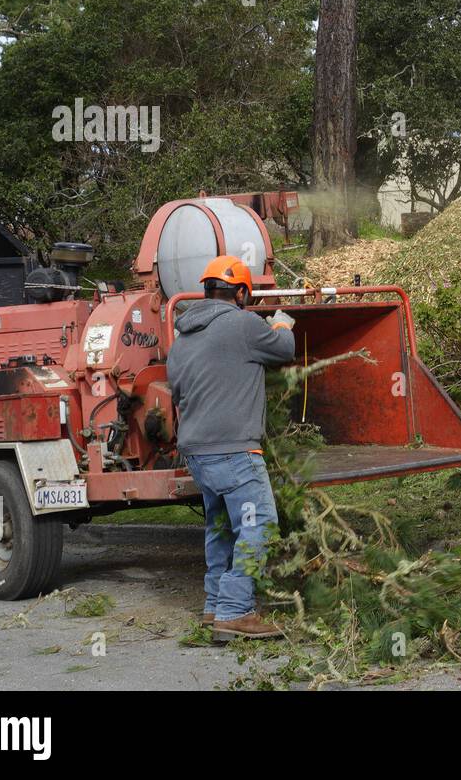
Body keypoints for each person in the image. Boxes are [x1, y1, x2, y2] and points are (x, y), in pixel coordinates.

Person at [167, 254, 295, 642]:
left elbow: (178, 392)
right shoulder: (243, 324)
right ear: (240, 292)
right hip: (235, 453)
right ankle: (236, 611)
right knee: (259, 524)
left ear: (205, 291)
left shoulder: (181, 339)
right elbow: (284, 349)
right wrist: (281, 322)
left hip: (198, 453)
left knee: (219, 526)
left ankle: (213, 605)